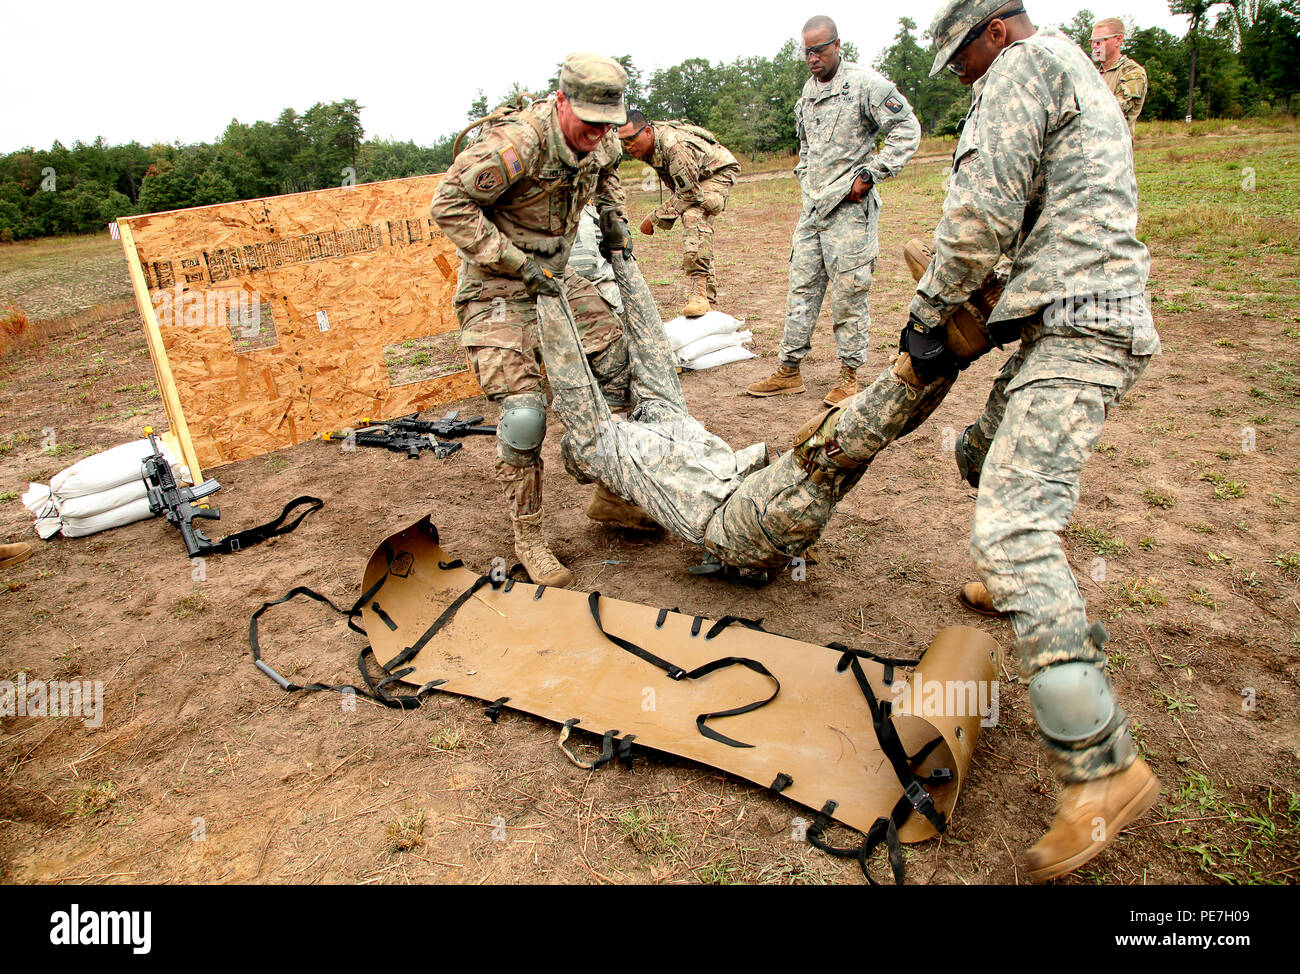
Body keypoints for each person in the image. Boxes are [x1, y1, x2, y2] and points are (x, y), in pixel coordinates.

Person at [910, 0, 1162, 880]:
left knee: (1014, 528)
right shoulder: (1070, 70)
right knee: (979, 453)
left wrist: (927, 314)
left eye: (964, 61)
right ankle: (1016, 584)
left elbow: (980, 212)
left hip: (1086, 324)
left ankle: (1103, 769)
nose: (965, 77)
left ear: (997, 31)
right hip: (1063, 317)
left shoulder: (1026, 64)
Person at [430, 52, 654, 590]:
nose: (596, 134)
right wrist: (514, 262)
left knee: (623, 360)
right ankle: (529, 536)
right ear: (560, 103)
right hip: (499, 286)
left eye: (607, 124)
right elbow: (449, 204)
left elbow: (606, 182)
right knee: (525, 414)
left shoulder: (601, 139)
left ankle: (611, 491)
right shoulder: (518, 144)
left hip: (554, 279)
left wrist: (615, 226)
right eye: (587, 123)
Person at [747, 14, 920, 407]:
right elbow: (805, 144)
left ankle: (850, 375)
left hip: (849, 210)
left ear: (838, 45)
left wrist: (870, 174)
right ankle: (789, 371)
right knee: (801, 290)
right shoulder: (807, 93)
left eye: (820, 50)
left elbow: (907, 129)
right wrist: (803, 175)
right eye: (806, 51)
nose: (812, 58)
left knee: (849, 295)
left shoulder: (866, 85)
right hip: (813, 211)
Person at [617, 111, 741, 318]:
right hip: (696, 178)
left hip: (718, 171)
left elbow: (690, 194)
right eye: (623, 142)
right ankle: (708, 300)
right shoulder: (649, 145)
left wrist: (655, 217)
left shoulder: (674, 146)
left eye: (631, 139)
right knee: (697, 223)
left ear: (647, 132)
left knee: (693, 214)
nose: (627, 147)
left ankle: (700, 294)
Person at [1091, 17, 1147, 139]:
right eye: (1093, 41)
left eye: (1101, 40)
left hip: (1116, 150)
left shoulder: (1132, 72)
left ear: (1118, 39)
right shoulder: (1093, 74)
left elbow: (1117, 110)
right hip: (1093, 149)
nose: (1095, 46)